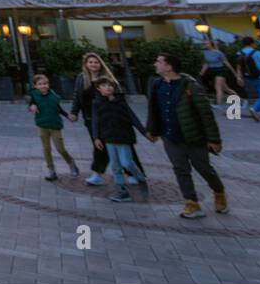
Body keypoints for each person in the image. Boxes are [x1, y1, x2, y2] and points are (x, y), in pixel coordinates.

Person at [145, 50, 226, 219]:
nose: (155, 64)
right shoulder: (156, 84)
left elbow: (206, 115)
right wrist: (152, 130)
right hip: (170, 137)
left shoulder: (190, 86)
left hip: (193, 137)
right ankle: (192, 203)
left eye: (159, 61)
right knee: (181, 170)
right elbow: (153, 109)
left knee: (204, 169)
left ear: (168, 67)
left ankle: (219, 192)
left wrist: (214, 140)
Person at [68, 53, 130, 187]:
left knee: (117, 144)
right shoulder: (81, 78)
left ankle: (130, 172)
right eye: (90, 62)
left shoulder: (107, 78)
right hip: (91, 118)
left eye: (96, 62)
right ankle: (99, 174)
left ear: (100, 64)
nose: (93, 64)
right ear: (86, 64)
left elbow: (118, 95)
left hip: (108, 116)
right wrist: (74, 112)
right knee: (100, 145)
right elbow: (77, 96)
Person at [90, 76, 150, 203]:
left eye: (110, 85)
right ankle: (122, 191)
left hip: (123, 136)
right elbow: (95, 121)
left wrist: (145, 132)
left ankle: (140, 178)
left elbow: (133, 118)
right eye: (104, 85)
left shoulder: (121, 101)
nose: (108, 87)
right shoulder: (97, 103)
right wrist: (96, 137)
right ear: (98, 88)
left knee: (127, 163)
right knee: (115, 166)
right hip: (108, 138)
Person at [27, 73, 78, 181]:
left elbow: (58, 108)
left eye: (45, 83)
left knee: (60, 149)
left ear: (48, 84)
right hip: (42, 126)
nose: (43, 86)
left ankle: (71, 163)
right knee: (46, 149)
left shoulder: (53, 96)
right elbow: (28, 97)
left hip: (55, 126)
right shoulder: (34, 95)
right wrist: (31, 105)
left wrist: (67, 115)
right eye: (40, 84)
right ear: (36, 86)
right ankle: (51, 170)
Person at [200, 37, 241, 108]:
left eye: (207, 43)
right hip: (212, 72)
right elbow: (206, 64)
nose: (205, 45)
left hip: (221, 70)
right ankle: (239, 101)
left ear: (211, 44)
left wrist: (235, 74)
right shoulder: (205, 53)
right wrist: (201, 73)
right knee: (226, 89)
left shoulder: (218, 53)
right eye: (205, 44)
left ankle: (218, 105)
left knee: (217, 87)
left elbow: (226, 63)